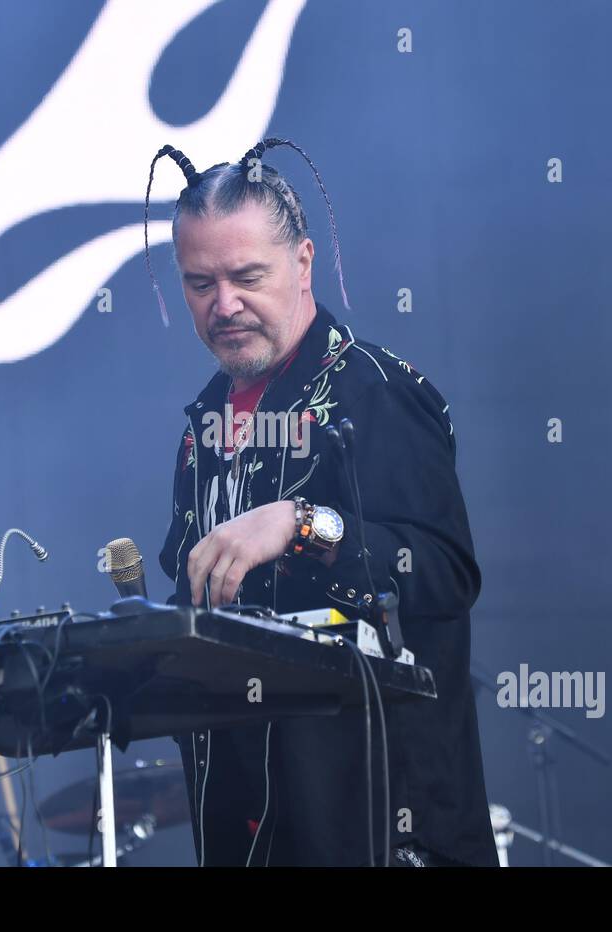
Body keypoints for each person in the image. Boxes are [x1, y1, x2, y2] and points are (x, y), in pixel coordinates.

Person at [145, 137, 498, 866]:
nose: (224, 304)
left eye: (246, 275)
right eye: (199, 283)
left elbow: (446, 573)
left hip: (381, 835)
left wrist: (303, 524)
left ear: (303, 262)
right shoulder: (203, 427)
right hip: (250, 837)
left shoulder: (376, 392)